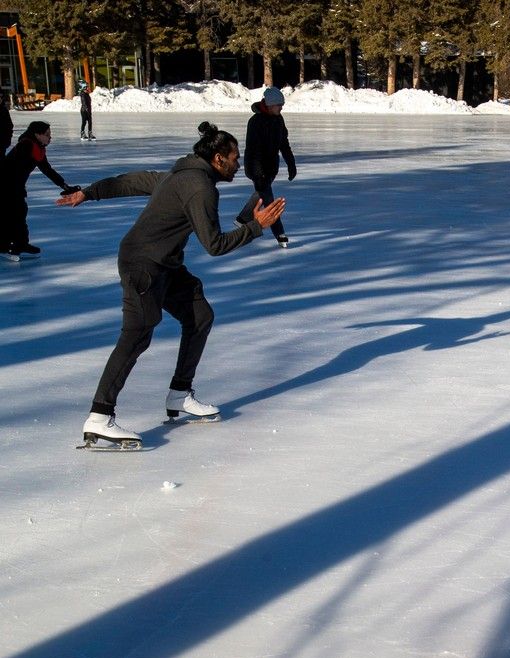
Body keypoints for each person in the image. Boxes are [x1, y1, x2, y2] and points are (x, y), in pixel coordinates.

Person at [56, 122, 286, 448]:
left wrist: (89, 192)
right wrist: (256, 226)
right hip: (144, 265)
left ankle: (180, 393)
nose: (238, 163)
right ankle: (99, 416)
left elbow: (132, 181)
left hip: (165, 265)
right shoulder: (201, 188)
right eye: (234, 158)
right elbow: (214, 244)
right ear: (218, 159)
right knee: (137, 333)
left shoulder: (179, 175)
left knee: (199, 315)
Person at [0, 121, 77, 259]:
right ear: (37, 134)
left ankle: (20, 243)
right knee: (14, 214)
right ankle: (8, 245)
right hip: (6, 185)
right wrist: (15, 189)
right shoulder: (26, 145)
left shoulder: (37, 147)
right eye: (47, 134)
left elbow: (47, 169)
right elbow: (12, 169)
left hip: (14, 186)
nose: (50, 137)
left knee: (20, 212)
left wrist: (64, 186)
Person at [235, 86, 295, 248]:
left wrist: (291, 164)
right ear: (270, 104)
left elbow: (284, 143)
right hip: (256, 168)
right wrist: (258, 172)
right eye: (279, 105)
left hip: (271, 168)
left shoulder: (278, 119)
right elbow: (253, 150)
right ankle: (280, 234)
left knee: (260, 194)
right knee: (269, 201)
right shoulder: (255, 122)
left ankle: (242, 219)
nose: (281, 107)